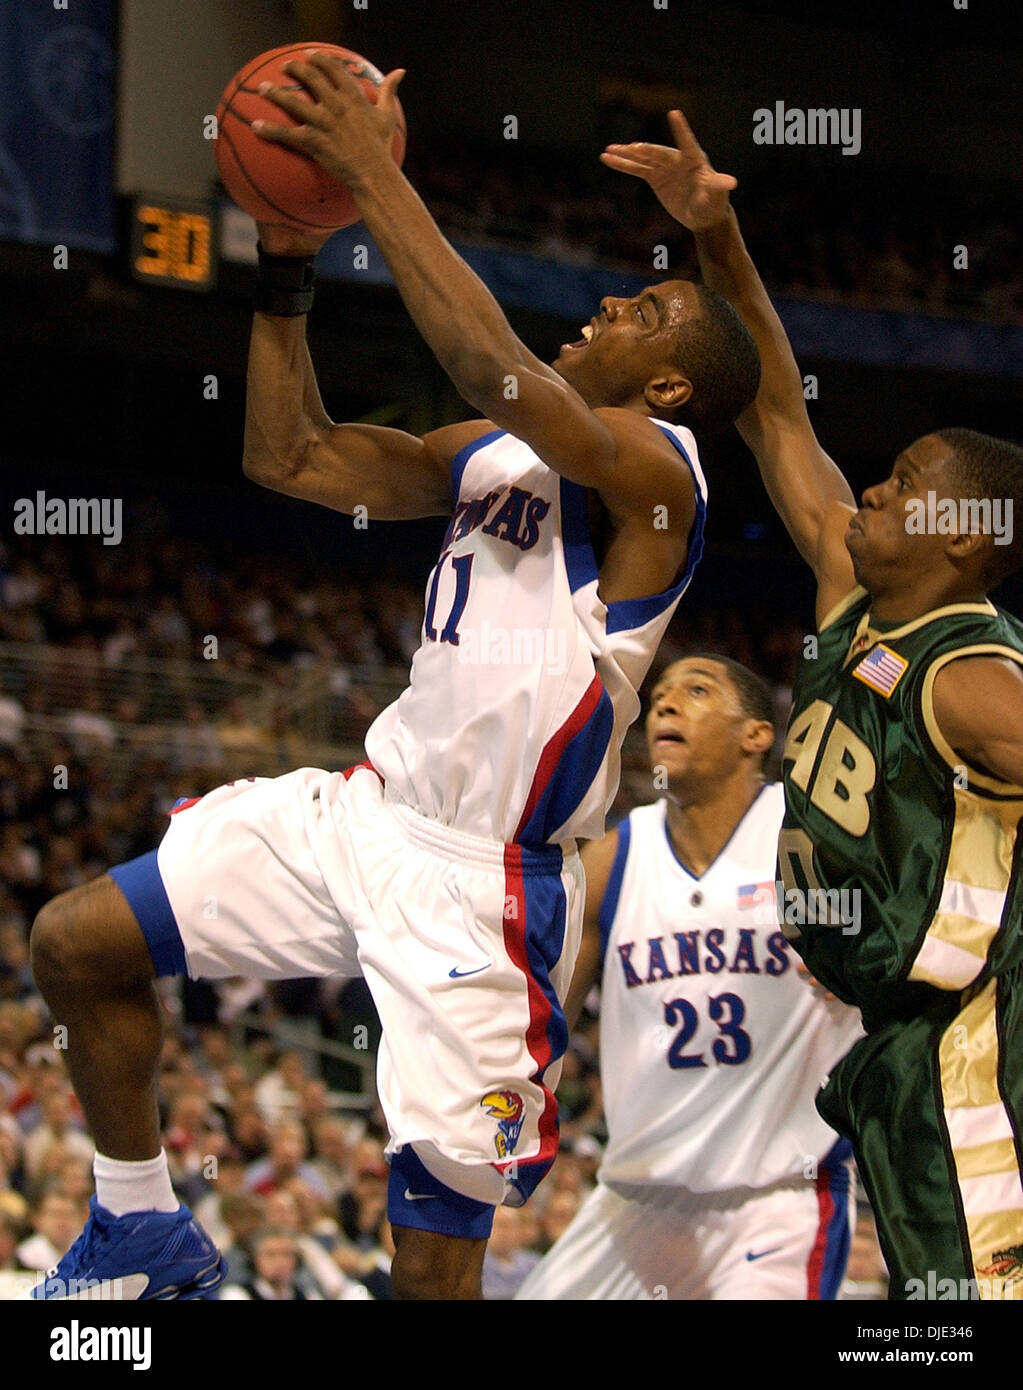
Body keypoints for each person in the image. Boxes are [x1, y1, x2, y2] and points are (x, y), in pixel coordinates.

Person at [27, 60, 759, 1301]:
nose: (606, 307)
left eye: (639, 311)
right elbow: (288, 453)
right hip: (365, 814)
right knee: (77, 940)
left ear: (671, 383)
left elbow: (490, 364)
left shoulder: (658, 471)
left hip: (486, 892)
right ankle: (142, 1227)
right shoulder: (493, 454)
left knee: (429, 1265)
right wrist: (290, 255)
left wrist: (371, 170)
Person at [604, 112, 1023, 1300]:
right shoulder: (852, 594)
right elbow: (773, 406)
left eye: (909, 487)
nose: (878, 487)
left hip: (970, 1041)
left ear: (968, 535)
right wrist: (716, 233)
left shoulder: (973, 677)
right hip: (892, 1041)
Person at [517, 655, 862, 1299]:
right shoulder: (616, 852)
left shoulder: (813, 834)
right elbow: (544, 1019)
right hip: (634, 1197)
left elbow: (908, 936)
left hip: (776, 1198)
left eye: (697, 691)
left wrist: (864, 960)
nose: (665, 705)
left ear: (756, 735)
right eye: (660, 696)